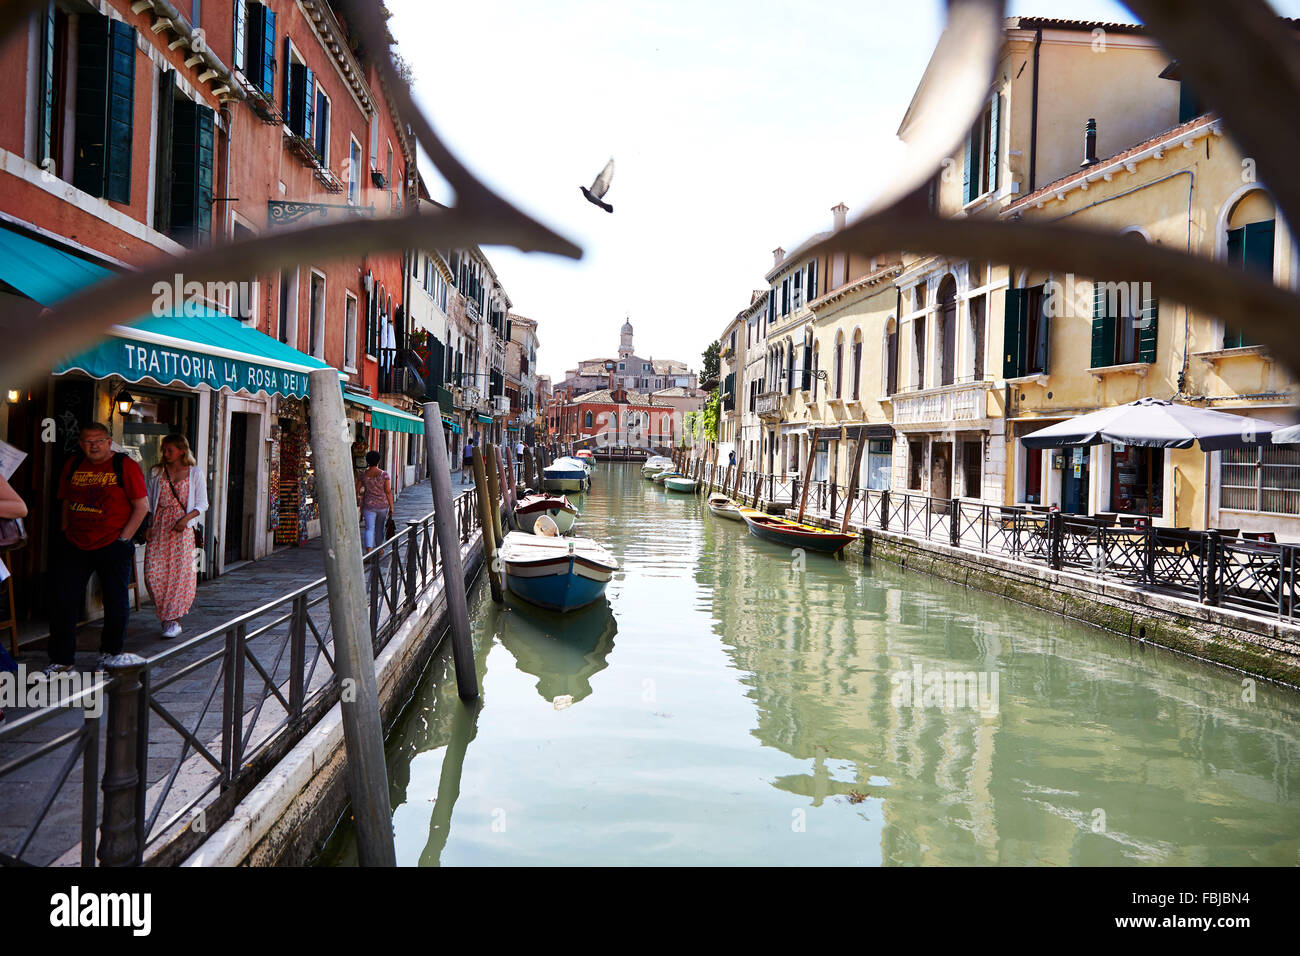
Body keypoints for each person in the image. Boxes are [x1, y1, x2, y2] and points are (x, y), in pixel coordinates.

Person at [48, 423, 148, 674]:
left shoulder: (125, 466)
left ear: (109, 441)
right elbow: (66, 501)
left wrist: (123, 539)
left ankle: (110, 654)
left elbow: (141, 506)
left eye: (99, 441)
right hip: (75, 543)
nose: (93, 446)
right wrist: (65, 531)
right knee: (63, 601)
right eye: (88, 441)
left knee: (115, 602)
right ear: (81, 444)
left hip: (113, 544)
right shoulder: (72, 465)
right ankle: (62, 660)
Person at [144, 434, 208, 639]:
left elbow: (202, 503)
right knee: (152, 574)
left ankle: (173, 620)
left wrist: (185, 519)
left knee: (179, 576)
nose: (165, 454)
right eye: (164, 450)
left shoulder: (194, 473)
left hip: (181, 530)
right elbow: (148, 501)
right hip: (159, 527)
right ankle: (166, 616)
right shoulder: (156, 472)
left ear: (182, 450)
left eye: (169, 450)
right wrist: (147, 524)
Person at [356, 451, 394, 550]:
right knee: (379, 528)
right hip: (382, 506)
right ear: (378, 461)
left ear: (367, 461)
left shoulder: (363, 475)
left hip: (368, 506)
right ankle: (380, 549)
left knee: (369, 528)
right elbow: (388, 491)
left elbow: (356, 489)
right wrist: (391, 507)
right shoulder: (384, 475)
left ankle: (369, 549)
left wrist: (359, 500)